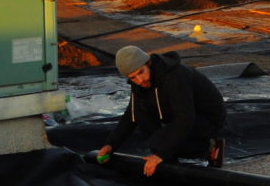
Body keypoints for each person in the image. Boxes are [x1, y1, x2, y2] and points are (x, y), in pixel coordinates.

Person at [97, 46, 228, 171]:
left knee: (159, 143)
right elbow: (131, 114)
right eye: (133, 77)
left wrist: (162, 154)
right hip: (178, 116)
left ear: (148, 63)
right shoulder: (138, 83)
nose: (140, 80)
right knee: (140, 113)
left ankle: (210, 148)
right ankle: (168, 158)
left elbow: (185, 118)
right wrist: (111, 145)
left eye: (141, 72)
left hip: (207, 118)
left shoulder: (175, 77)